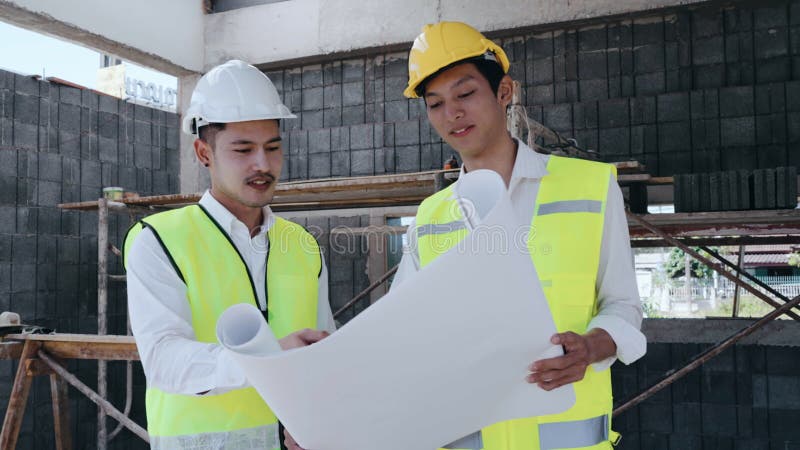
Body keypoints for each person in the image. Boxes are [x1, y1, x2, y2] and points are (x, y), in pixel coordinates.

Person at [392, 22, 646, 449]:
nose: (451, 113)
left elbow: (623, 305)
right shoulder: (430, 217)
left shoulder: (590, 187)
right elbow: (401, 334)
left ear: (504, 91)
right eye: (435, 104)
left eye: (465, 94)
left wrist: (591, 348)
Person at [124, 60, 335, 450]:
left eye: (273, 148)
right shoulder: (158, 240)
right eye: (243, 150)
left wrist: (321, 418)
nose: (263, 164)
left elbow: (323, 351)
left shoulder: (303, 245)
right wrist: (268, 360)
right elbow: (164, 360)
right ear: (204, 152)